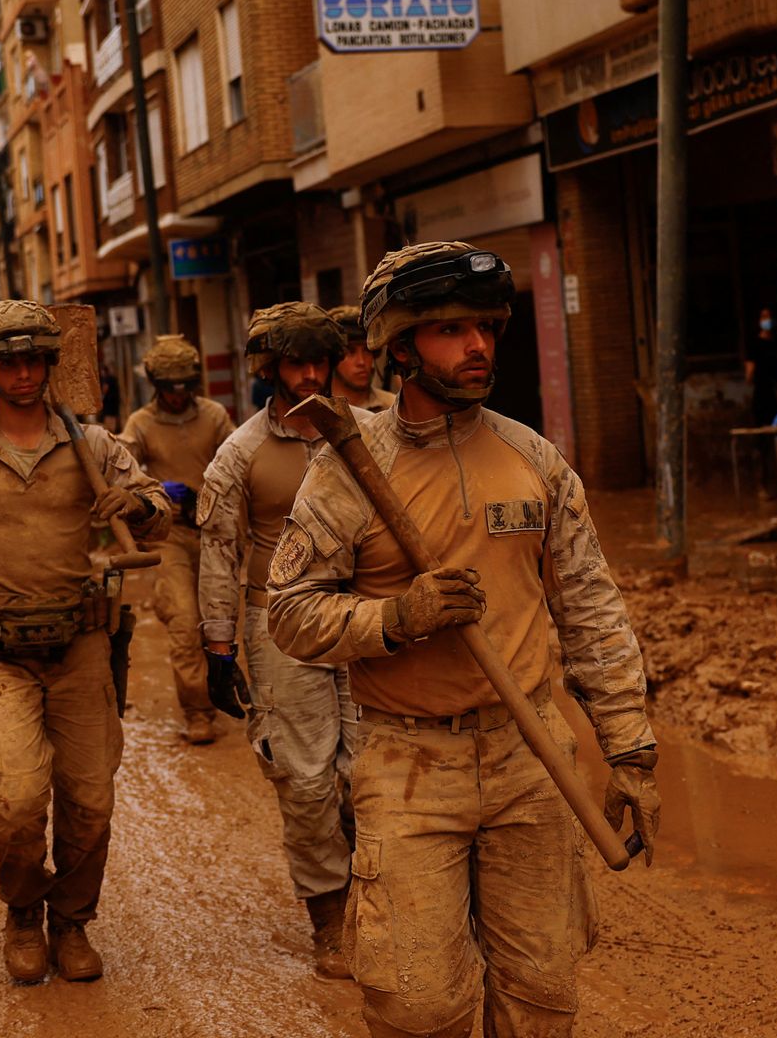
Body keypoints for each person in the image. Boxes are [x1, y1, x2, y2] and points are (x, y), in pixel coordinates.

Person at [268, 241, 659, 1037]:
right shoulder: (345, 470)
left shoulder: (534, 460)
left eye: (487, 326)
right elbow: (289, 615)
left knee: (542, 999)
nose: (478, 346)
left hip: (532, 755)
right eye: (451, 330)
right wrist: (394, 618)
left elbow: (591, 611)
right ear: (400, 348)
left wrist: (630, 749)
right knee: (419, 1008)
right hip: (411, 767)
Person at [0, 300, 171, 984]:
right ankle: (24, 908)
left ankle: (73, 923)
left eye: (33, 360)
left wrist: (135, 505)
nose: (22, 373)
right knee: (13, 804)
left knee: (90, 801)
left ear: (51, 366)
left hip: (83, 651)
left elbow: (161, 514)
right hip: (3, 657)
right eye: (7, 362)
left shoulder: (96, 448)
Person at [197, 302, 357, 979]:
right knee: (307, 781)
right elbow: (218, 551)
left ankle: (389, 900)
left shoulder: (367, 434)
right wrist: (218, 646)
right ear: (270, 370)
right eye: (297, 362)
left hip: (366, 620)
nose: (312, 372)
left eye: (320, 359)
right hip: (280, 627)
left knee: (373, 772)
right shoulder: (239, 454)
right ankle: (330, 919)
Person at [118, 334, 236, 745]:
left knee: (223, 619)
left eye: (184, 387)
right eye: (169, 389)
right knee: (185, 621)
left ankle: (233, 691)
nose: (177, 396)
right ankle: (198, 710)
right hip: (169, 535)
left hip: (217, 532)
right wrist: (154, 488)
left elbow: (239, 463)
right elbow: (122, 473)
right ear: (157, 386)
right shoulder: (141, 424)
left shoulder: (216, 416)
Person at [328, 304, 397, 412]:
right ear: (333, 356)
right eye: (350, 351)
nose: (361, 361)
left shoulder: (394, 408)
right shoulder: (318, 410)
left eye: (367, 350)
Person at [744, 306, 777, 427]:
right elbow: (750, 369)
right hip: (762, 392)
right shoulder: (754, 344)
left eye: (769, 316)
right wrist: (749, 378)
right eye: (764, 317)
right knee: (762, 425)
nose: (767, 320)